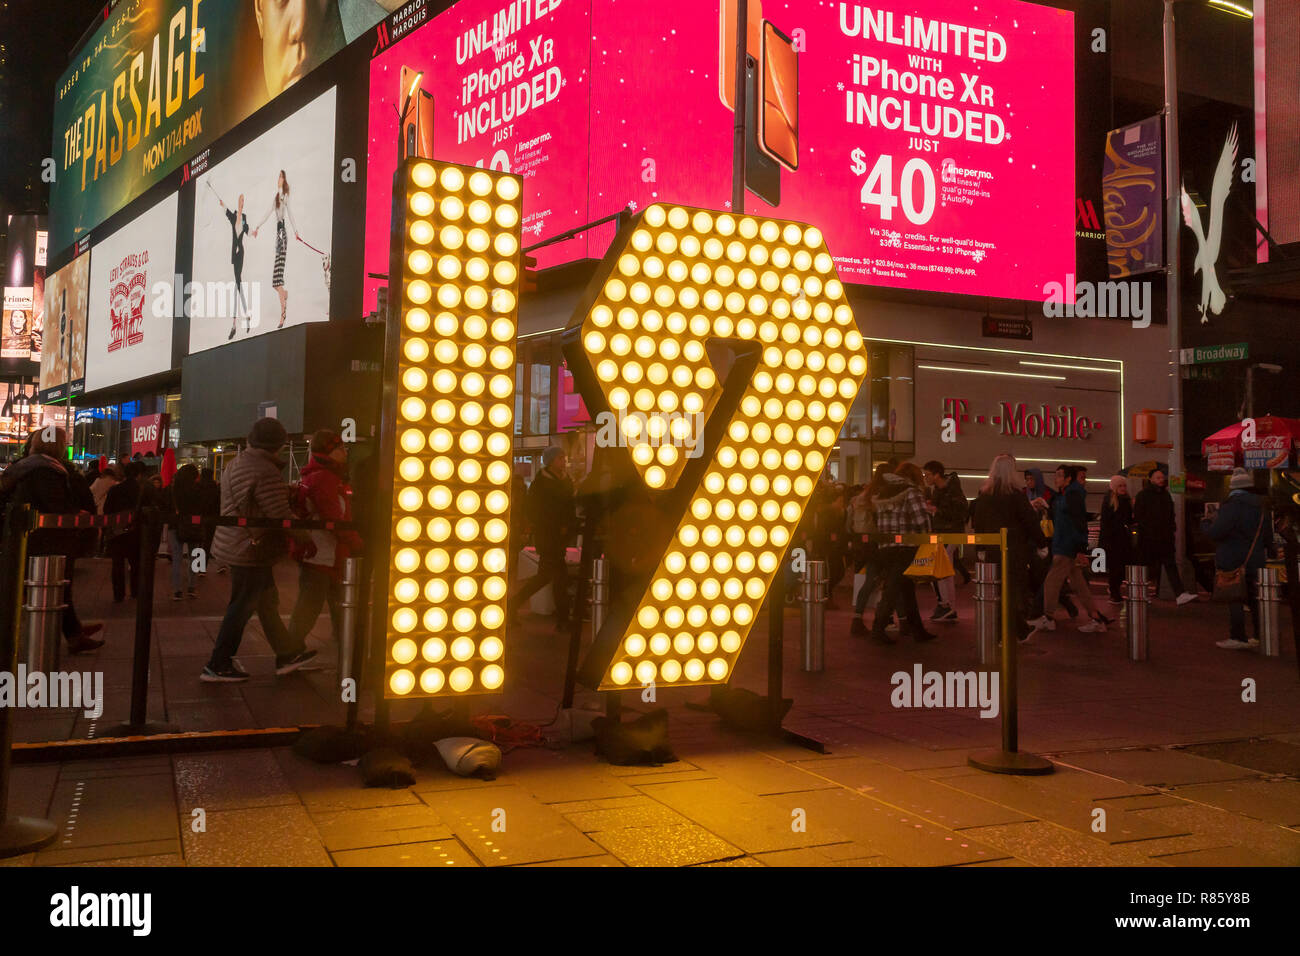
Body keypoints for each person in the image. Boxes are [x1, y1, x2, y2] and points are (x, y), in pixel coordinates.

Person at [204, 418, 317, 682]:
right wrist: (305, 537)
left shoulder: (237, 463)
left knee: (267, 604)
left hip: (237, 542)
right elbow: (280, 516)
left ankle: (287, 654)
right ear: (278, 444)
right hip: (250, 548)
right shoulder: (265, 470)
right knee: (242, 605)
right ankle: (217, 663)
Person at [0, 428, 103, 653]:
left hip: (28, 539)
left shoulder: (25, 466)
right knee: (51, 586)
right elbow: (54, 503)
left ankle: (73, 633)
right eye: (64, 442)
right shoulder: (45, 470)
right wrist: (78, 513)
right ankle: (60, 638)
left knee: (47, 588)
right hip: (45, 542)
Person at [286, 429, 363, 652]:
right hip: (322, 554)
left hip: (324, 553)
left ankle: (345, 645)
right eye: (340, 448)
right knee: (310, 604)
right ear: (329, 451)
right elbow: (335, 518)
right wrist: (357, 542)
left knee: (336, 602)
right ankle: (290, 652)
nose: (345, 452)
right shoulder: (325, 479)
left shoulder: (320, 475)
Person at [970, 454, 1047, 642]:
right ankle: (1016, 631)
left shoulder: (985, 494)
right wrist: (1042, 543)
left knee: (996, 592)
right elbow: (1029, 521)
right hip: (1014, 550)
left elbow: (977, 521)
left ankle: (1005, 633)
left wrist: (980, 546)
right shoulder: (1015, 495)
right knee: (1012, 592)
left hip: (991, 549)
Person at [1030, 465, 1107, 632]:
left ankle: (1048, 617)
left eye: (1059, 475)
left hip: (1066, 546)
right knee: (1079, 584)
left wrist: (1080, 548)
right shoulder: (1065, 495)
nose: (1056, 478)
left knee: (1051, 581)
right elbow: (1066, 518)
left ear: (1068, 479)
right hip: (1065, 545)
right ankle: (1096, 618)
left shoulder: (1072, 495)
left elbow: (1078, 522)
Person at [869, 462, 936, 644]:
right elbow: (922, 522)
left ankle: (917, 629)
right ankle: (878, 629)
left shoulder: (884, 492)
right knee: (892, 590)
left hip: (885, 548)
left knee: (905, 589)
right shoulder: (912, 492)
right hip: (905, 547)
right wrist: (927, 534)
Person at [508, 447, 575, 629]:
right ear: (551, 461)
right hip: (549, 535)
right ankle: (562, 619)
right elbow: (537, 510)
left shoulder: (564, 480)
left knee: (550, 576)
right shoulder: (542, 484)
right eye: (561, 457)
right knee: (554, 576)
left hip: (557, 535)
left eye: (564, 457)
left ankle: (514, 605)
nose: (563, 461)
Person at [1204, 468, 1269, 650]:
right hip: (1255, 559)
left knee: (1234, 597)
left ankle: (1238, 636)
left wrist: (1206, 523)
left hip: (1233, 559)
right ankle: (1260, 635)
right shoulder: (1261, 506)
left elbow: (1217, 532)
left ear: (1232, 488)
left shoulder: (1231, 507)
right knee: (1256, 598)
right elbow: (1267, 534)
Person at [1134, 467, 1198, 605]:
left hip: (1165, 538)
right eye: (1158, 477)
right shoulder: (1143, 495)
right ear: (1150, 479)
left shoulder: (1165, 495)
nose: (1161, 480)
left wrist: (1171, 530)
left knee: (1170, 565)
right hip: (1149, 539)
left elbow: (1170, 515)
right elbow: (1140, 516)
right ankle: (1140, 594)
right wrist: (1150, 531)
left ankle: (1179, 594)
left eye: (1162, 477)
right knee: (1145, 567)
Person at [252, 170, 301, 330]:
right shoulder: (275, 197)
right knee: (275, 282)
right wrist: (257, 227)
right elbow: (267, 213)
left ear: (284, 180)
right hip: (278, 238)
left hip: (283, 235)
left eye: (281, 177)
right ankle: (284, 294)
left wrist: (296, 232)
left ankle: (283, 314)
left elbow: (291, 214)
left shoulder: (284, 196)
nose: (278, 179)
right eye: (278, 177)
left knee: (277, 279)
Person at [922, 460, 967, 622]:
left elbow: (959, 511)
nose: (925, 478)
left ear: (937, 475)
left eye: (927, 475)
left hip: (949, 533)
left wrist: (936, 511)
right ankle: (949, 607)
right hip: (945, 533)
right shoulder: (940, 490)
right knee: (945, 570)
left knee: (939, 569)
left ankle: (945, 605)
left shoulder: (950, 490)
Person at [104, 461, 153, 602]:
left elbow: (107, 510)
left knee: (117, 563)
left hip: (117, 532)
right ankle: (135, 592)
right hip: (137, 531)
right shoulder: (144, 490)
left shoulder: (115, 490)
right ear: (139, 474)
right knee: (136, 563)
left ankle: (118, 594)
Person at [849, 465, 889, 636]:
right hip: (877, 542)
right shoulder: (881, 493)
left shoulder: (865, 493)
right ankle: (884, 620)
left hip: (863, 543)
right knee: (880, 581)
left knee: (871, 581)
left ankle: (858, 619)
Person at [213, 188, 251, 337]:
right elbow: (227, 212)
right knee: (237, 285)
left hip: (240, 253)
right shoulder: (234, 216)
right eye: (240, 200)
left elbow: (247, 231)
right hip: (234, 256)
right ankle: (246, 317)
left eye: (243, 201)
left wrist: (253, 232)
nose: (242, 202)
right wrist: (222, 204)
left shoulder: (244, 218)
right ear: (238, 202)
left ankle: (235, 324)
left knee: (238, 283)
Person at [167, 464, 203, 600]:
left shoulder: (172, 489)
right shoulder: (198, 489)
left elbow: (165, 506)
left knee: (177, 558)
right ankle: (192, 587)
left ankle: (177, 590)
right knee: (194, 557)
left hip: (176, 525)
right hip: (194, 526)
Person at [1099, 475, 1135, 604]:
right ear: (1114, 487)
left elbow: (1129, 520)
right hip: (1113, 540)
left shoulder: (1125, 500)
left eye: (1124, 485)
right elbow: (1107, 522)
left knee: (1120, 568)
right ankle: (1114, 593)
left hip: (1121, 539)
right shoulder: (1110, 500)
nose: (1123, 488)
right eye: (1120, 486)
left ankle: (1114, 590)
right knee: (1116, 568)